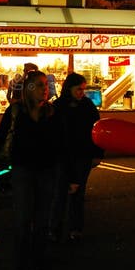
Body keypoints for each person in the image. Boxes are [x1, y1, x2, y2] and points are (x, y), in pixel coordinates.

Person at [0, 71, 61, 270]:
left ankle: (38, 265)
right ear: (29, 88)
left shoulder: (52, 113)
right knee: (23, 220)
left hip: (46, 172)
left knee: (42, 222)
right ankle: (20, 266)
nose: (45, 89)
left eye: (46, 85)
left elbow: (60, 144)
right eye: (40, 85)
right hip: (23, 171)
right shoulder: (16, 111)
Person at [52, 72, 104, 242]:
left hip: (82, 155)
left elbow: (97, 130)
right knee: (60, 193)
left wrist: (97, 153)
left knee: (77, 193)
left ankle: (75, 228)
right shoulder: (59, 106)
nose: (82, 93)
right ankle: (56, 228)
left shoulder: (87, 105)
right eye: (78, 89)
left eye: (83, 89)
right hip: (63, 154)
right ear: (69, 88)